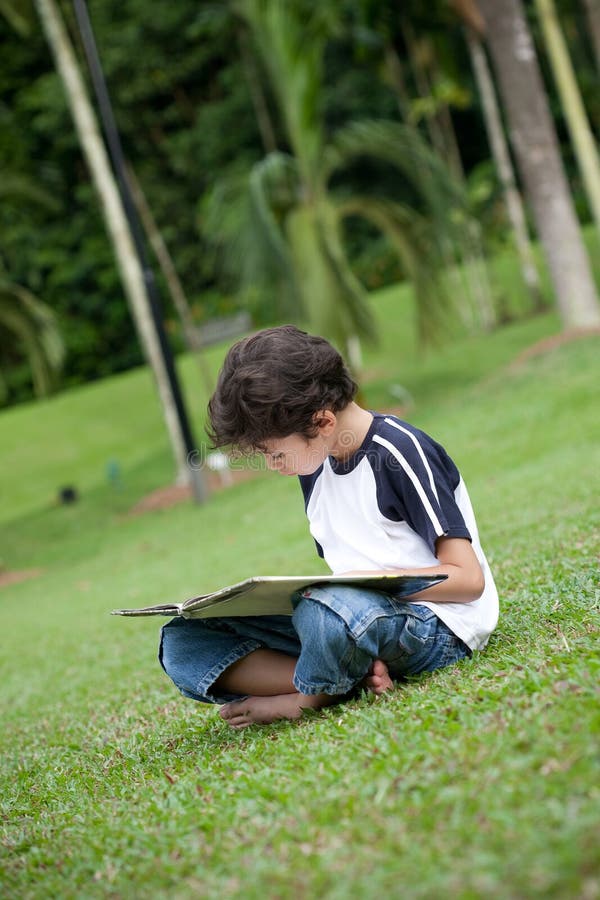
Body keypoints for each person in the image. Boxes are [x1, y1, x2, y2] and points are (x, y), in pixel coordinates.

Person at [160, 325, 498, 729]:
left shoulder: (399, 452)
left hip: (436, 624)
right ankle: (348, 677)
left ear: (321, 422)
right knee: (183, 640)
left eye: (273, 452)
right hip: (352, 621)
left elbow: (468, 579)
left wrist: (360, 584)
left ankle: (308, 697)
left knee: (325, 615)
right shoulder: (316, 466)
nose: (270, 464)